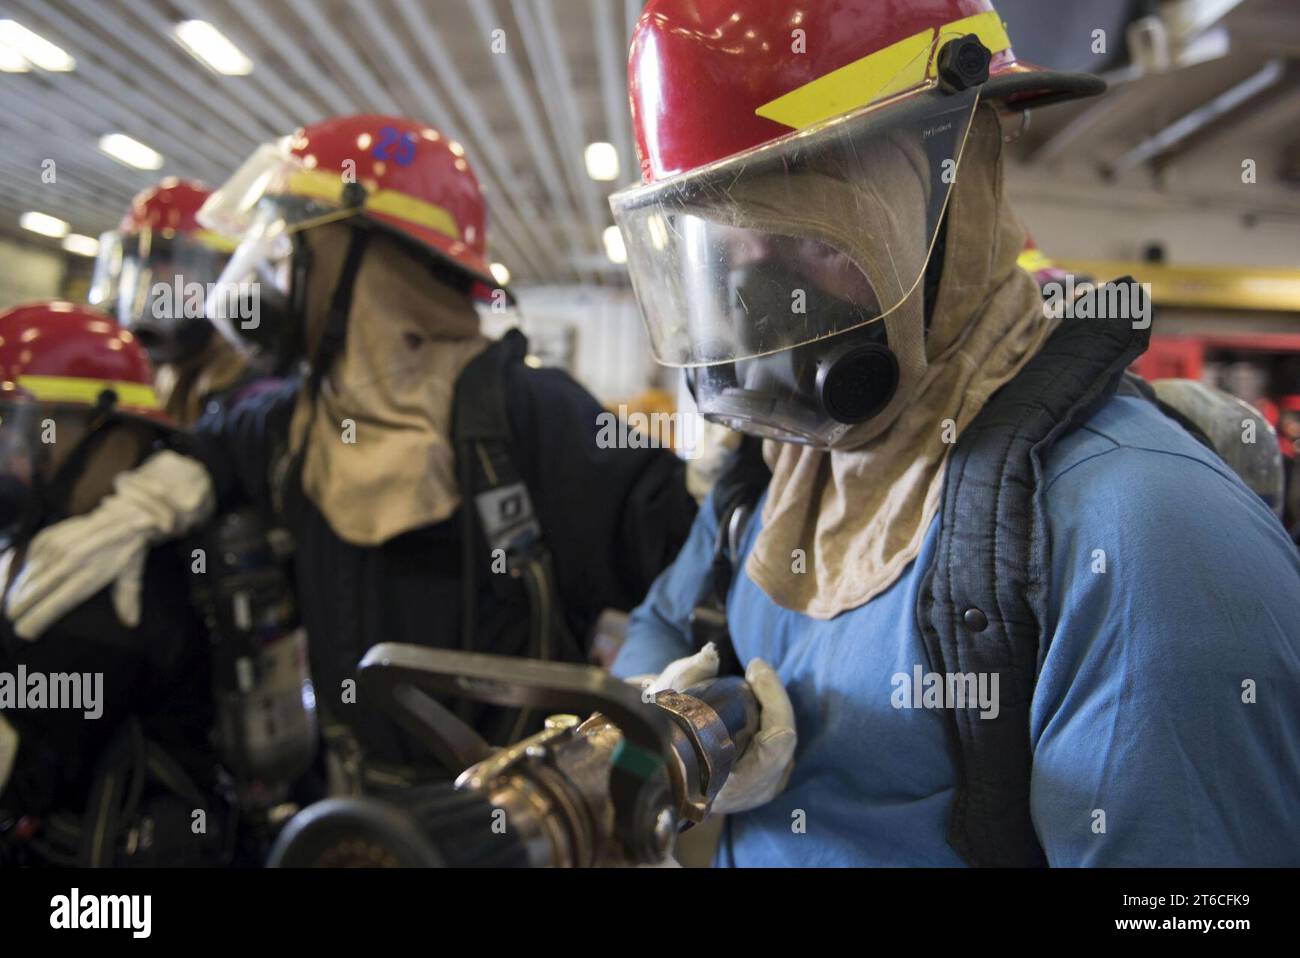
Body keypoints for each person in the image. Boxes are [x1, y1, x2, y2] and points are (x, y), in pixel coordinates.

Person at [609, 0, 1300, 866]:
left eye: (810, 239)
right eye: (731, 249)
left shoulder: (1146, 534)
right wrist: (676, 715)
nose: (766, 305)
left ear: (958, 197)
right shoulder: (782, 475)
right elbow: (662, 623)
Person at [8, 116, 699, 790]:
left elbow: (685, 575)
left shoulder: (531, 413)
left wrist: (639, 758)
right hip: (347, 821)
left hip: (513, 826)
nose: (268, 284)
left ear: (363, 260)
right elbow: (207, 449)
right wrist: (136, 506)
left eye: (292, 252)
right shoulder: (291, 422)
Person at [0, 302, 221, 866]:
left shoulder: (119, 585)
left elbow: (24, 773)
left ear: (110, 437)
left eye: (22, 432)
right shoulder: (71, 544)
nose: (13, 461)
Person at [90, 178, 253, 424]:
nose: (154, 292)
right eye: (145, 273)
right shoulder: (157, 375)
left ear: (223, 276)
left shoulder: (247, 392)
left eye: (172, 273)